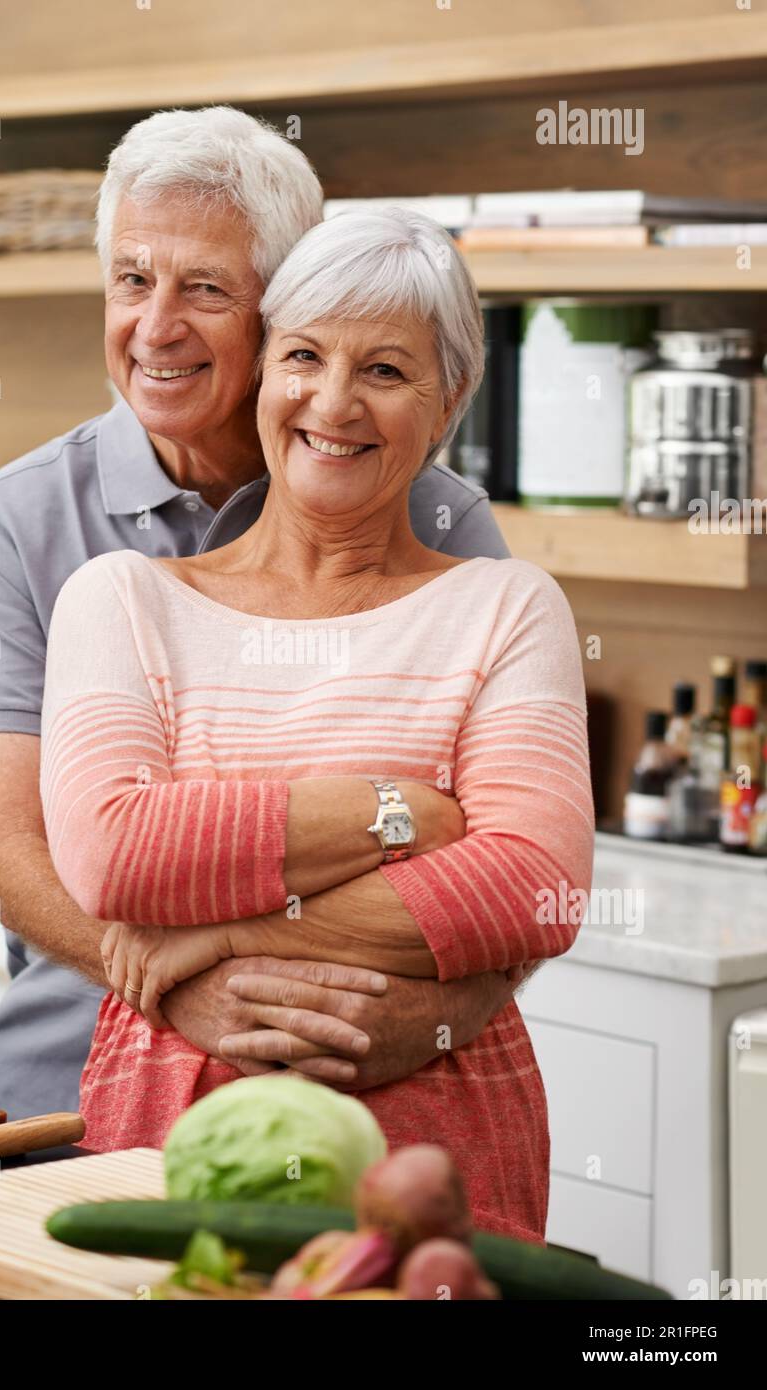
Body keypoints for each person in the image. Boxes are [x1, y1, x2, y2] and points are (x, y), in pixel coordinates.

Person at [0, 105, 514, 1123]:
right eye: (131, 279)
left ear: (278, 305)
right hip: (66, 1079)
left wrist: (436, 1016)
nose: (154, 327)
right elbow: (16, 853)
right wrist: (180, 985)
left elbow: (511, 869)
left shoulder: (435, 519)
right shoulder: (17, 519)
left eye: (204, 289)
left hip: (348, 1087)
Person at [39, 206, 594, 1240]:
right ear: (262, 374)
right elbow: (113, 858)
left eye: (384, 370)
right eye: (302, 355)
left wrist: (210, 931)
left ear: (450, 399)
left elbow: (533, 883)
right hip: (174, 1132)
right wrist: (394, 815)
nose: (332, 402)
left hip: (441, 1153)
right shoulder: (120, 602)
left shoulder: (507, 609)